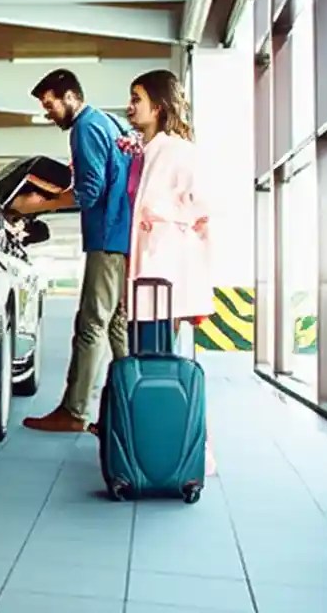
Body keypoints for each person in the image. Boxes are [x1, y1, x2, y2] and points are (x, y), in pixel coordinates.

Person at [12, 69, 132, 433]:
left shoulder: (85, 128)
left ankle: (75, 411)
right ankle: (128, 408)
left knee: (91, 324)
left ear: (68, 97)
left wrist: (35, 205)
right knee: (115, 327)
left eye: (49, 104)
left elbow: (89, 191)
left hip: (107, 239)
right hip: (121, 238)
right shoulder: (109, 122)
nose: (49, 113)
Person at [117, 68, 217, 475]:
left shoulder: (179, 151)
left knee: (160, 359)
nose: (130, 105)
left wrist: (163, 219)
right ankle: (150, 446)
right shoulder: (146, 150)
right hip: (146, 269)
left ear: (158, 106)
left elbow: (205, 210)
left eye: (136, 98)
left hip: (165, 272)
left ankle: (185, 451)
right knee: (147, 357)